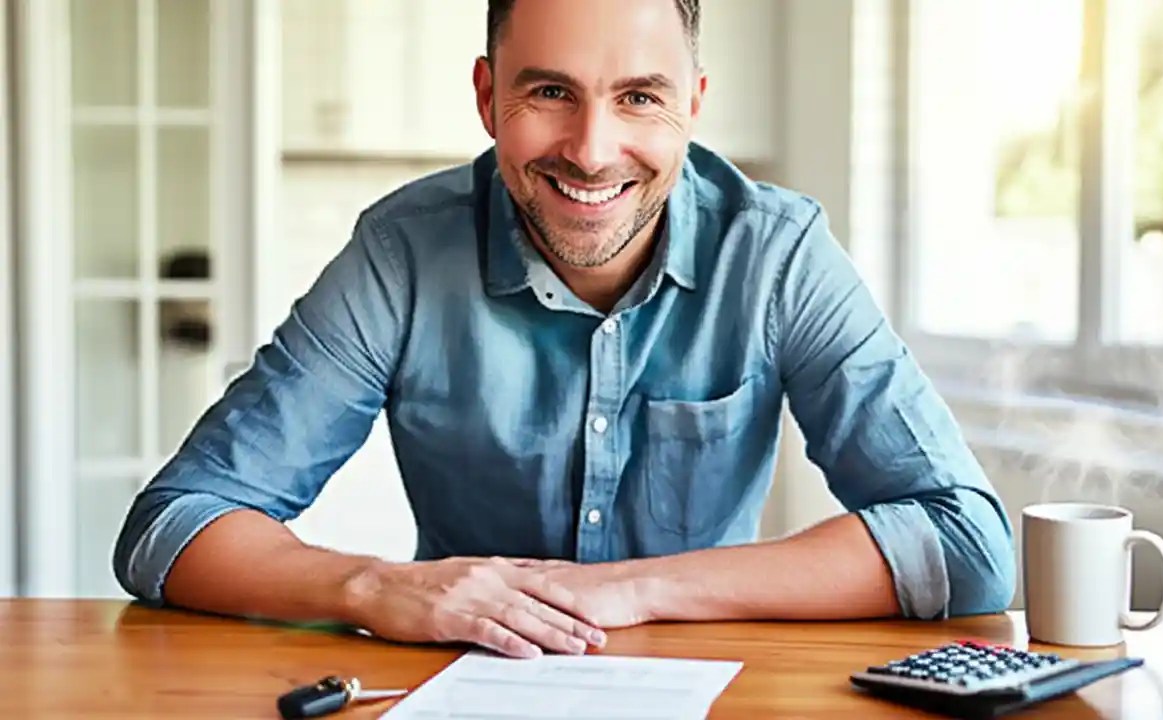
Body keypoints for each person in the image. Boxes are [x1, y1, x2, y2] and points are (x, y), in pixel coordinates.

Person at [113, 0, 1015, 660]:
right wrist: (377, 586)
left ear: (691, 105)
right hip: (462, 686)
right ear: (486, 94)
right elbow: (172, 529)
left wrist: (632, 590)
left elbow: (968, 544)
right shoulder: (402, 251)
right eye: (550, 91)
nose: (590, 149)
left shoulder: (780, 256)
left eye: (638, 98)